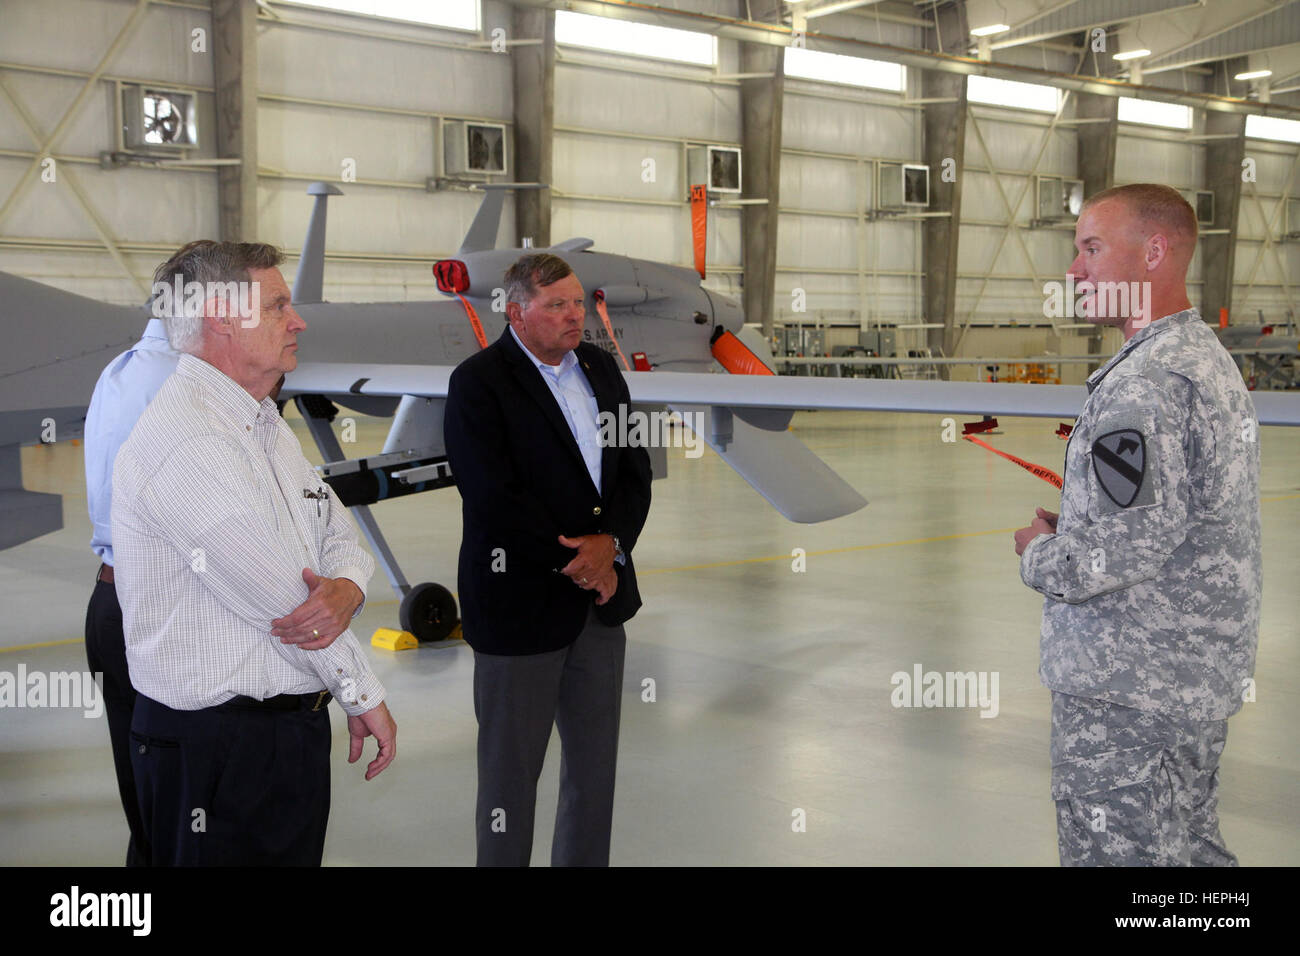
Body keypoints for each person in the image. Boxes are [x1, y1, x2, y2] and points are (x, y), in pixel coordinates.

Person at [111, 240, 396, 866]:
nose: (297, 321)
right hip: (218, 747)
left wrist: (346, 587)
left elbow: (339, 534)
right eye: (277, 307)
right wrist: (364, 695)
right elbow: (288, 604)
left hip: (280, 734)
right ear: (219, 319)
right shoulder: (186, 441)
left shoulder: (262, 427)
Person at [1014, 184, 1260, 866]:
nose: (1074, 271)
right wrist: (1089, 519)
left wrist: (1041, 551)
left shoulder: (1144, 384)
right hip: (1188, 678)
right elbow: (1170, 518)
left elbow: (1116, 556)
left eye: (1091, 249)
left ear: (1153, 253)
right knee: (1186, 852)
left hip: (1130, 690)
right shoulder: (1200, 358)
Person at [444, 252, 652, 866]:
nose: (574, 317)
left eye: (578, 303)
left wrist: (610, 546)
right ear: (516, 312)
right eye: (557, 305)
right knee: (510, 781)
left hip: (601, 602)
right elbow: (491, 494)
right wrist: (579, 560)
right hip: (520, 608)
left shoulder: (601, 370)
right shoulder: (479, 382)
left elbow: (633, 470)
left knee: (594, 774)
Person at [83, 297, 181, 866]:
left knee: (147, 805)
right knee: (182, 803)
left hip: (111, 597)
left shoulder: (120, 369)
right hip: (159, 608)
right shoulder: (187, 384)